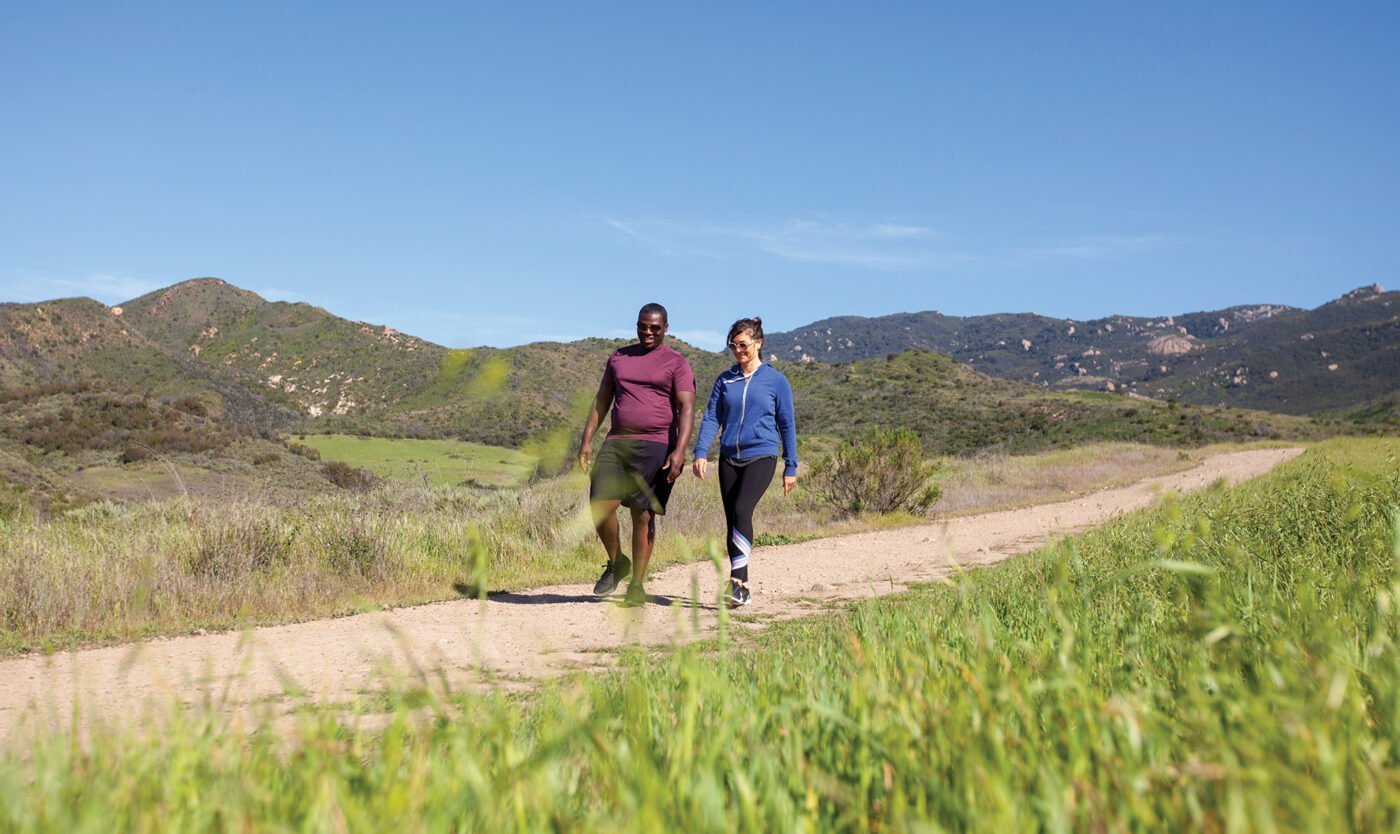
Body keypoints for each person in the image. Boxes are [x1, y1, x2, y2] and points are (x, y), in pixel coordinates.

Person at [578, 303, 696, 606]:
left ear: (665, 328)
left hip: (656, 444)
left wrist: (680, 451)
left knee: (643, 515)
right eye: (642, 326)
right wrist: (587, 439)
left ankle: (637, 585)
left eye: (654, 328)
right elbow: (602, 400)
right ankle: (618, 562)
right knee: (600, 505)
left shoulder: (677, 363)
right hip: (617, 442)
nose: (648, 332)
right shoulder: (619, 357)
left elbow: (686, 408)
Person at [691, 316, 797, 607]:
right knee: (733, 520)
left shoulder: (776, 381)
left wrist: (791, 465)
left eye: (743, 345)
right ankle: (743, 587)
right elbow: (712, 416)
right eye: (733, 346)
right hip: (729, 457)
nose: (738, 350)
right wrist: (701, 452)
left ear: (758, 343)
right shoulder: (725, 380)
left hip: (761, 455)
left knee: (741, 509)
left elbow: (786, 424)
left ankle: (735, 581)